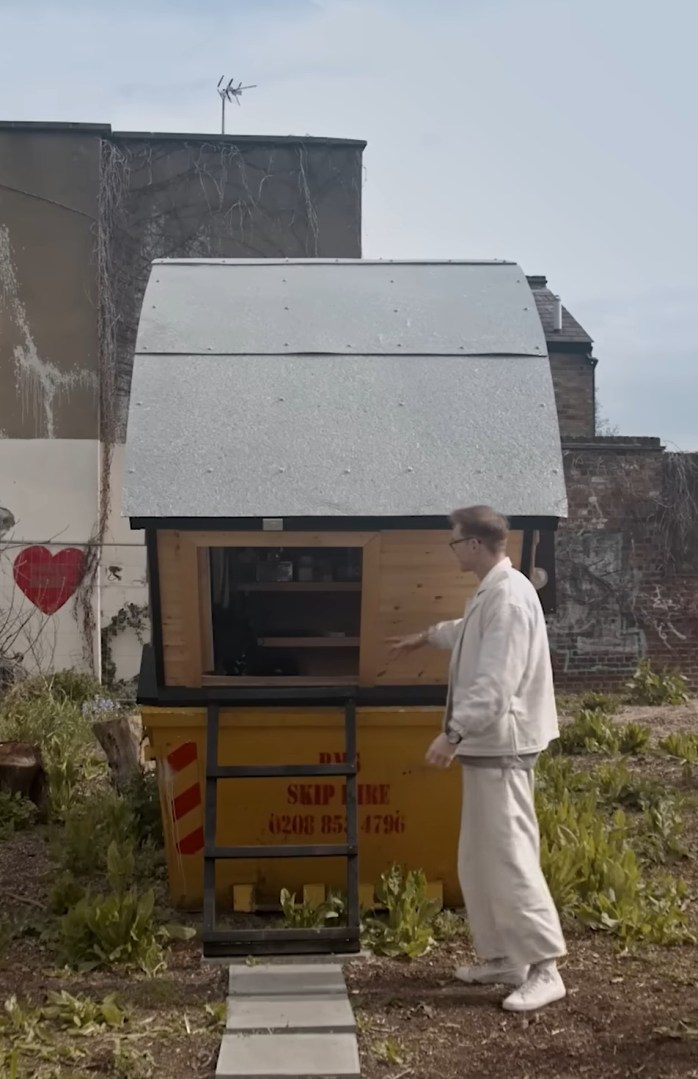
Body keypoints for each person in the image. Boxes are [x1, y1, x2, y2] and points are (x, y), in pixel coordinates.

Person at [388, 505, 567, 1012]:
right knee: (478, 857)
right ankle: (501, 958)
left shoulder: (508, 598)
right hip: (489, 749)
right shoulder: (495, 593)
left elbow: (496, 681)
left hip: (502, 745)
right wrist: (425, 637)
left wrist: (453, 733)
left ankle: (545, 966)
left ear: (473, 545)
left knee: (509, 855)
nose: (451, 549)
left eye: (454, 541)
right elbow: (469, 629)